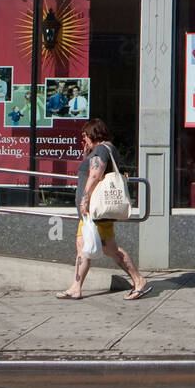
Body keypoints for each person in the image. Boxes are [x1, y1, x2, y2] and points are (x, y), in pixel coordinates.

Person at [55, 118, 150, 301]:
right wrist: (87, 156)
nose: (84, 141)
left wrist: (84, 198)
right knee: (83, 246)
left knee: (110, 248)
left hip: (95, 211)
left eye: (85, 137)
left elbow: (96, 174)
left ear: (93, 133)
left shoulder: (101, 149)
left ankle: (139, 280)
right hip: (91, 214)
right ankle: (76, 287)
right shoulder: (102, 150)